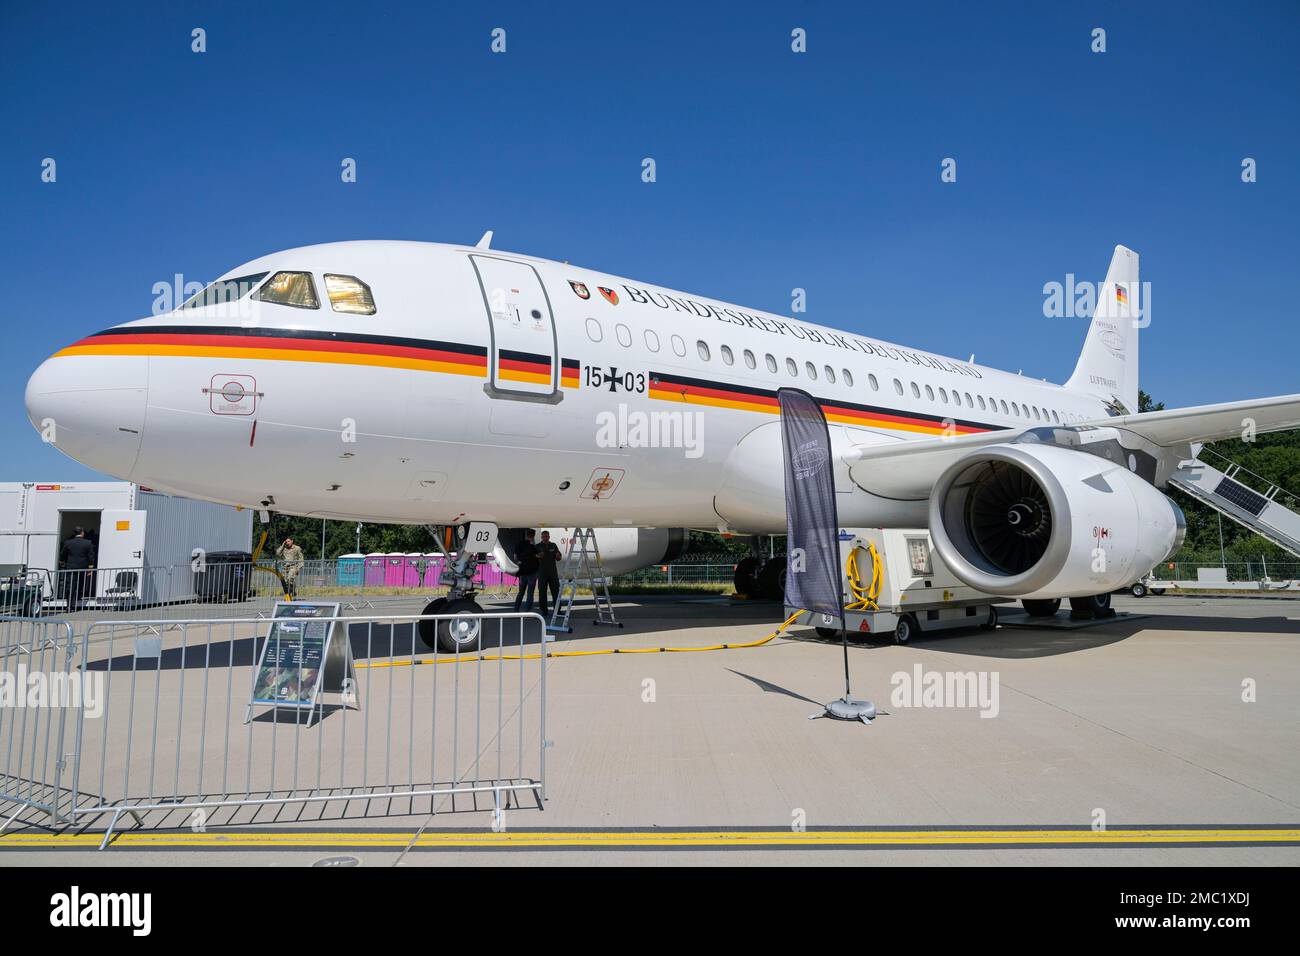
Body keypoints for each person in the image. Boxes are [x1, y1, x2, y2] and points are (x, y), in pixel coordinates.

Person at [58, 526, 96, 608]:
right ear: (82, 532)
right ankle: (77, 601)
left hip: (71, 568)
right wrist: (90, 568)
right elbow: (91, 557)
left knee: (70, 586)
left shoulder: (68, 542)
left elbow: (62, 555)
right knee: (80, 584)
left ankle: (69, 605)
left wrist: (62, 562)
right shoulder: (88, 543)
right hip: (82, 568)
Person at [536, 530, 562, 619]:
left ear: (549, 537)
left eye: (546, 536)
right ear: (541, 537)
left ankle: (557, 610)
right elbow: (533, 558)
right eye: (544, 536)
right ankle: (544, 610)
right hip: (542, 572)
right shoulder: (537, 546)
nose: (545, 538)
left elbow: (558, 557)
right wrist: (538, 556)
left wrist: (558, 556)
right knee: (542, 592)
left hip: (552, 572)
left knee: (556, 591)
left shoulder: (553, 545)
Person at [512, 528, 539, 612]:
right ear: (533, 536)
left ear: (526, 535)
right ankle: (527, 610)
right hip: (532, 572)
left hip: (523, 571)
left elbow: (515, 557)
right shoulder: (533, 546)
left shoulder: (519, 544)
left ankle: (516, 609)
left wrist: (520, 562)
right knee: (530, 593)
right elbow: (538, 556)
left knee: (521, 592)